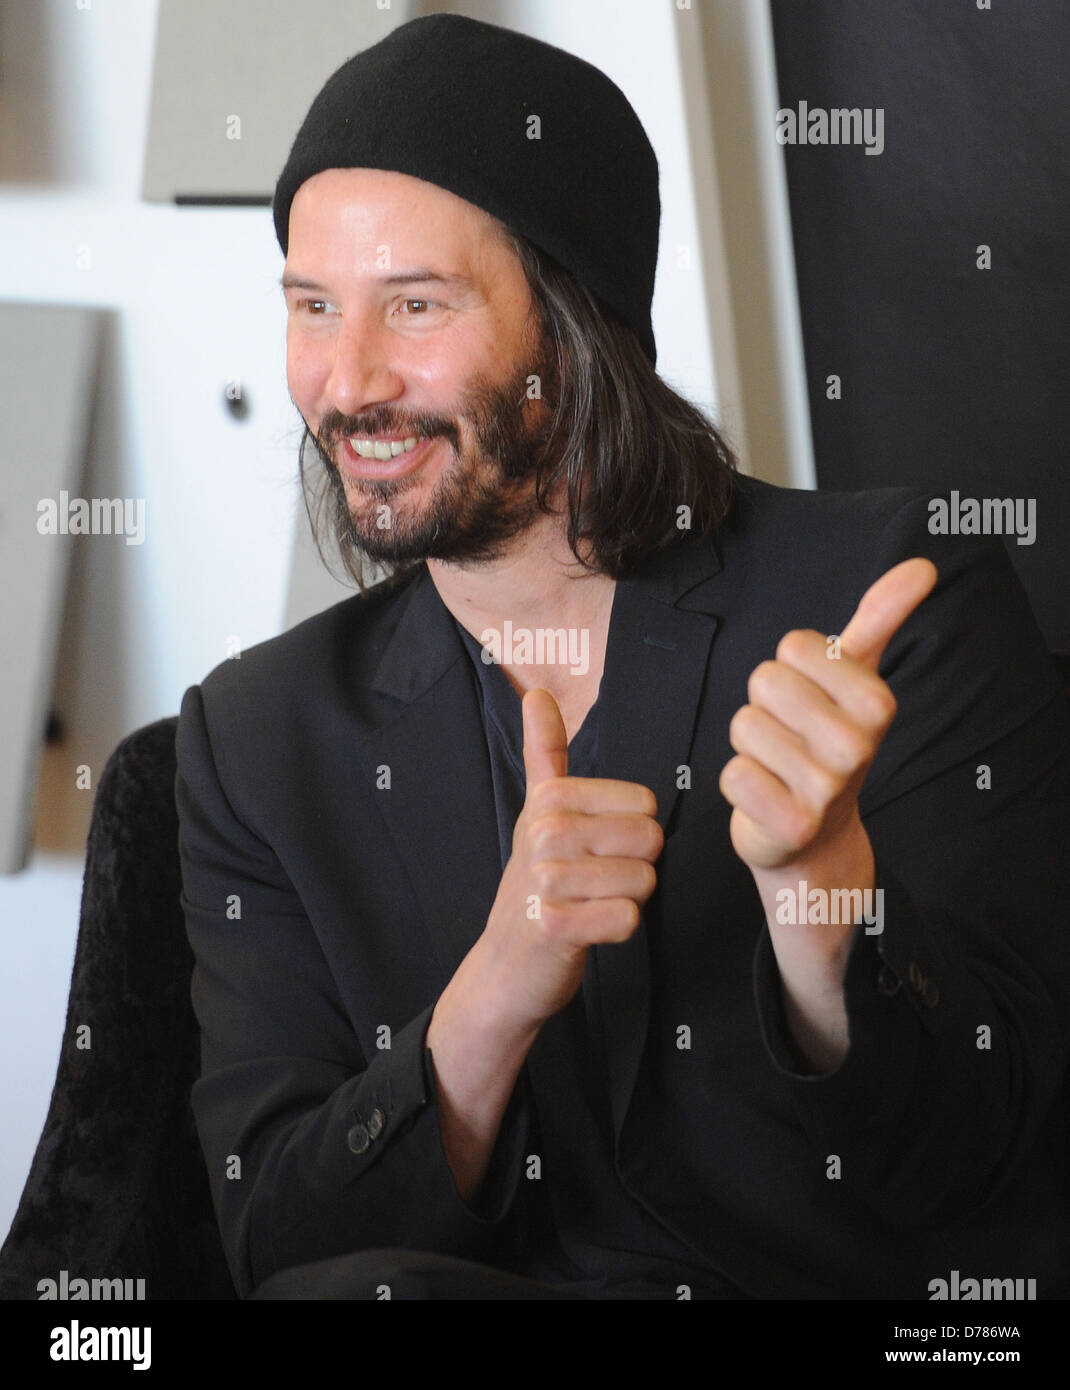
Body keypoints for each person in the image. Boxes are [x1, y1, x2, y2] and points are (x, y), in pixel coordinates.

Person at [175, 13, 1070, 1300]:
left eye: (415, 305)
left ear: (577, 325)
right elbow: (282, 1250)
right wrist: (492, 995)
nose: (347, 380)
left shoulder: (888, 599)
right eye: (312, 306)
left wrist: (824, 906)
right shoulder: (256, 736)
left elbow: (981, 1160)